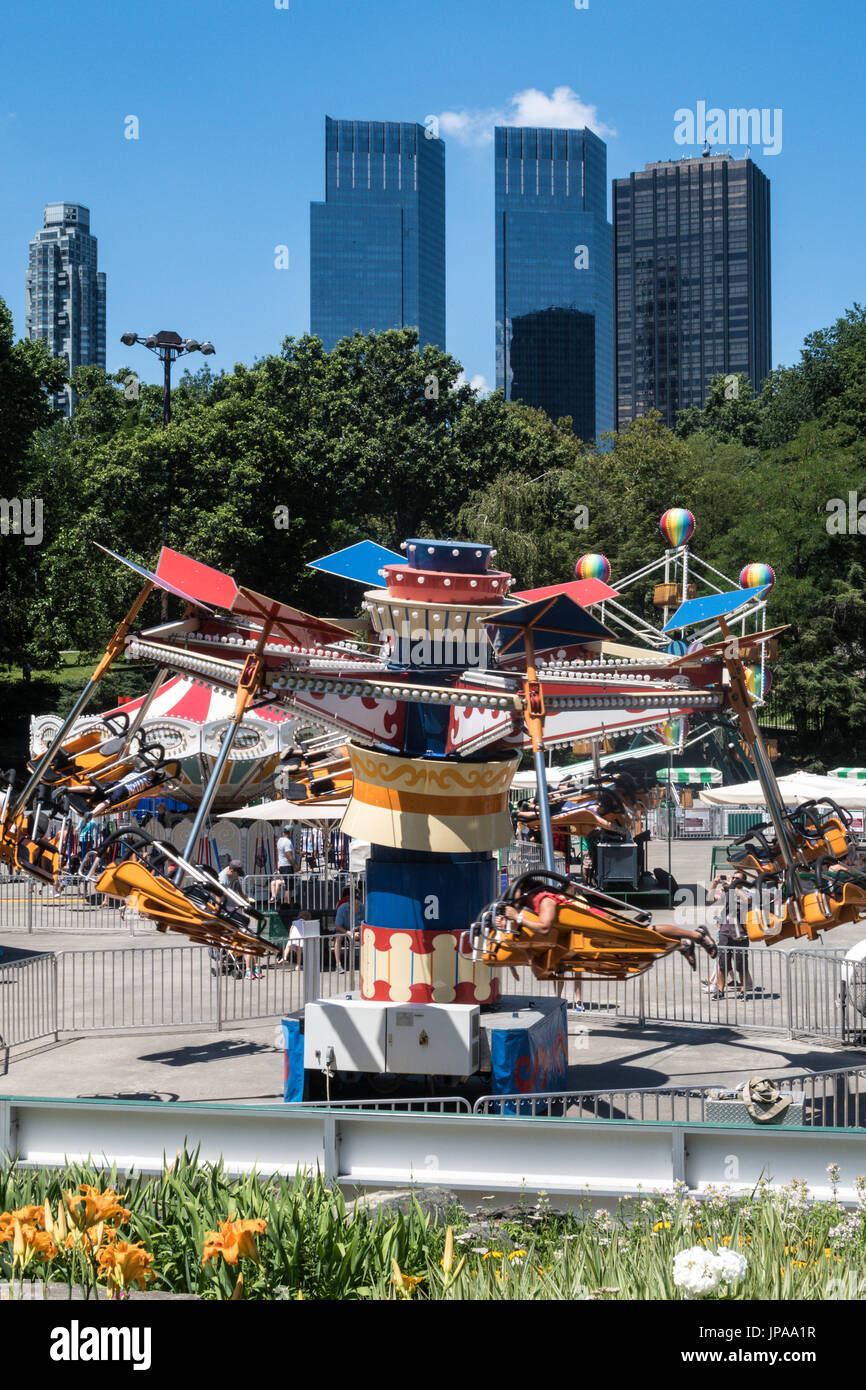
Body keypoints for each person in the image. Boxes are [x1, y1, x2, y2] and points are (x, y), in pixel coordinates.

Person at [706, 873, 753, 999]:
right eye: (732, 878)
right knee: (723, 962)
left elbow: (747, 900)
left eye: (736, 879)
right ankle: (720, 990)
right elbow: (709, 899)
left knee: (741, 963)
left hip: (741, 932)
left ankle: (743, 991)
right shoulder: (726, 892)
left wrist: (734, 887)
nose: (732, 880)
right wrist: (715, 884)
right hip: (725, 931)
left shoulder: (746, 891)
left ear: (742, 882)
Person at [219, 860, 261, 980]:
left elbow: (238, 887)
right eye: (237, 873)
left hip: (236, 908)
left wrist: (245, 898)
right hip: (226, 909)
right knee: (232, 935)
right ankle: (232, 958)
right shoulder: (222, 880)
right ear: (231, 871)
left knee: (245, 932)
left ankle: (250, 964)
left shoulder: (234, 874)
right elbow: (221, 897)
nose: (238, 876)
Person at [332, 889, 353, 970]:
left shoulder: (340, 901)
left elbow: (336, 911)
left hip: (344, 927)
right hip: (345, 927)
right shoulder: (346, 904)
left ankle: (338, 963)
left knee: (338, 937)